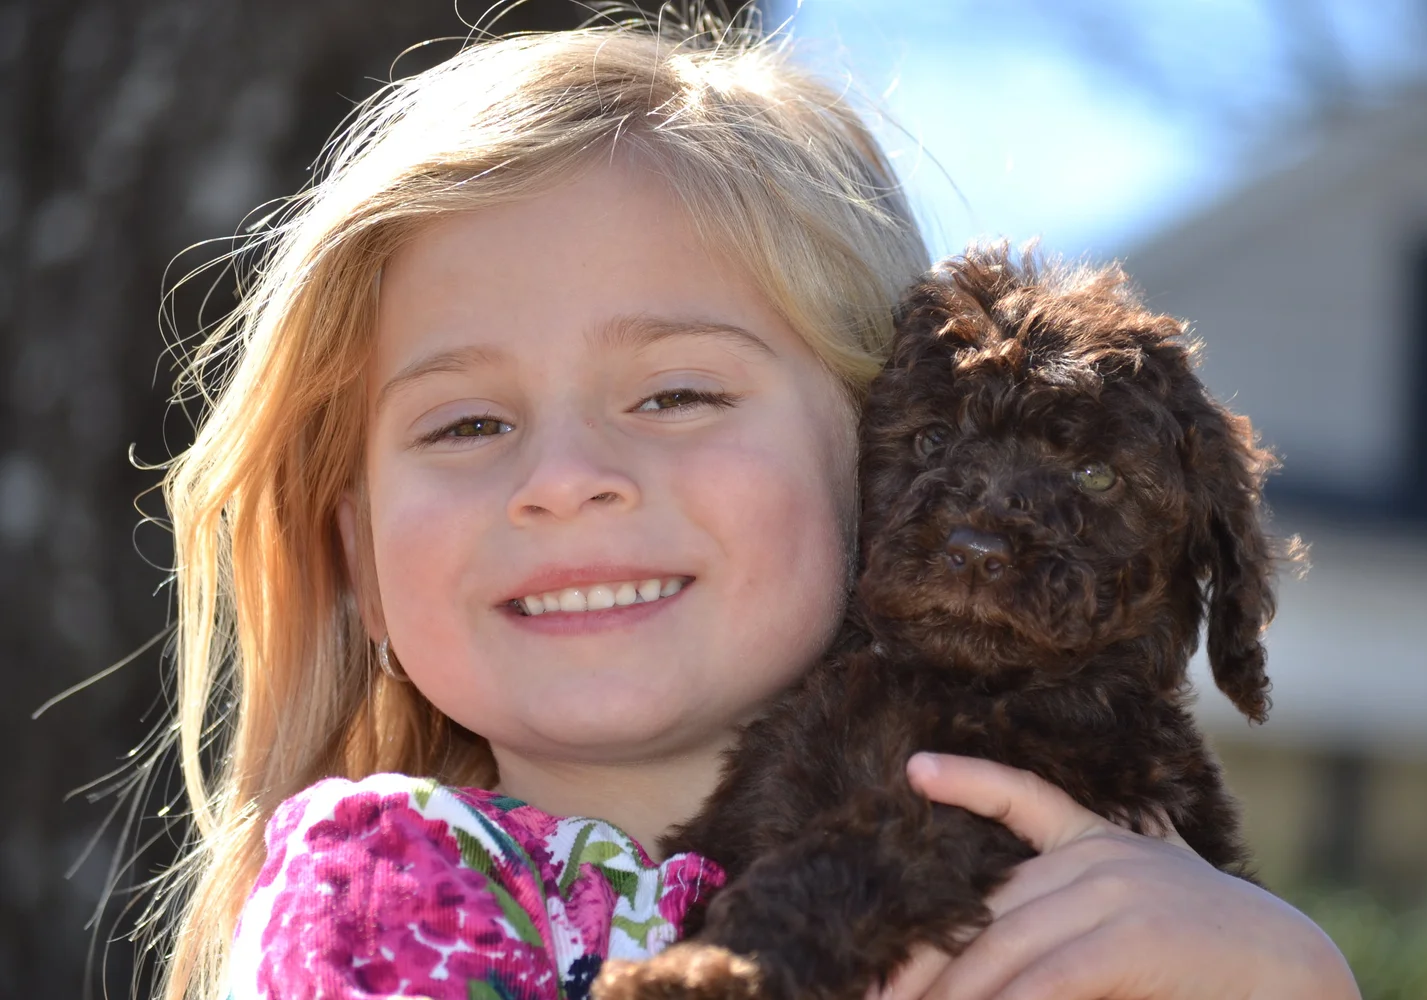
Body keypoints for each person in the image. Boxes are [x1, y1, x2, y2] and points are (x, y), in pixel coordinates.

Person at [154, 17, 1360, 1000]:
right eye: (467, 424)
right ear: (357, 555)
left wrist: (1290, 978)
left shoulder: (1140, 893)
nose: (564, 477)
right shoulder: (375, 890)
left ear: (877, 468)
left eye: (677, 394)